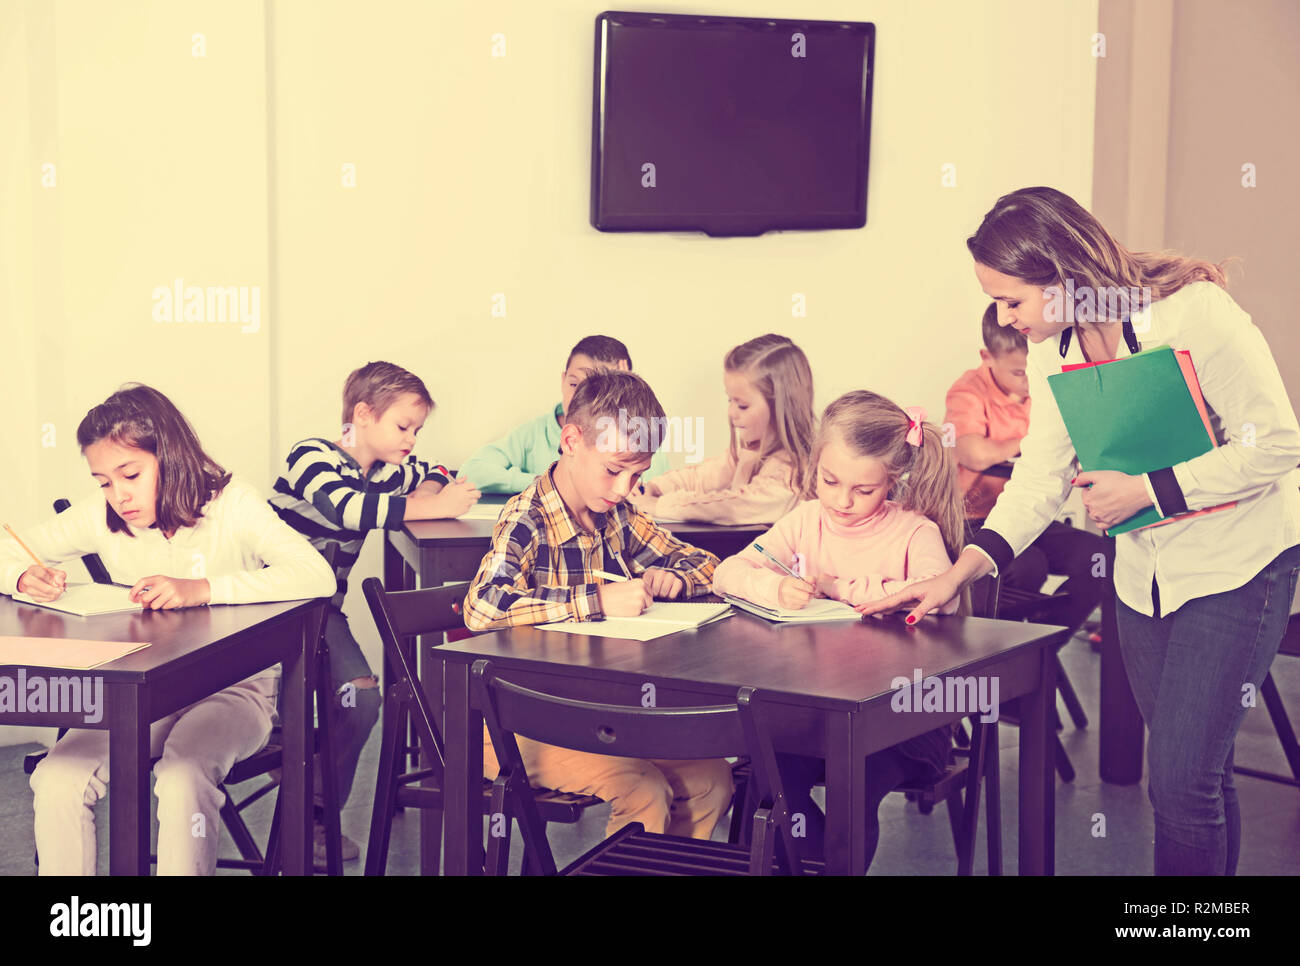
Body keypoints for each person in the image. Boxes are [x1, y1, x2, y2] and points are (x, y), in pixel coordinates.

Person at [862, 185, 1300, 876]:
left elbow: (1277, 443)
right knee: (1197, 779)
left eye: (1013, 300)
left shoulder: (1195, 315)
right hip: (1145, 577)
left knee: (1181, 783)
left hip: (1238, 564)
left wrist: (1147, 489)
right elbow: (1039, 482)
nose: (1004, 318)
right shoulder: (1050, 353)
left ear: (1063, 276)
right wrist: (957, 573)